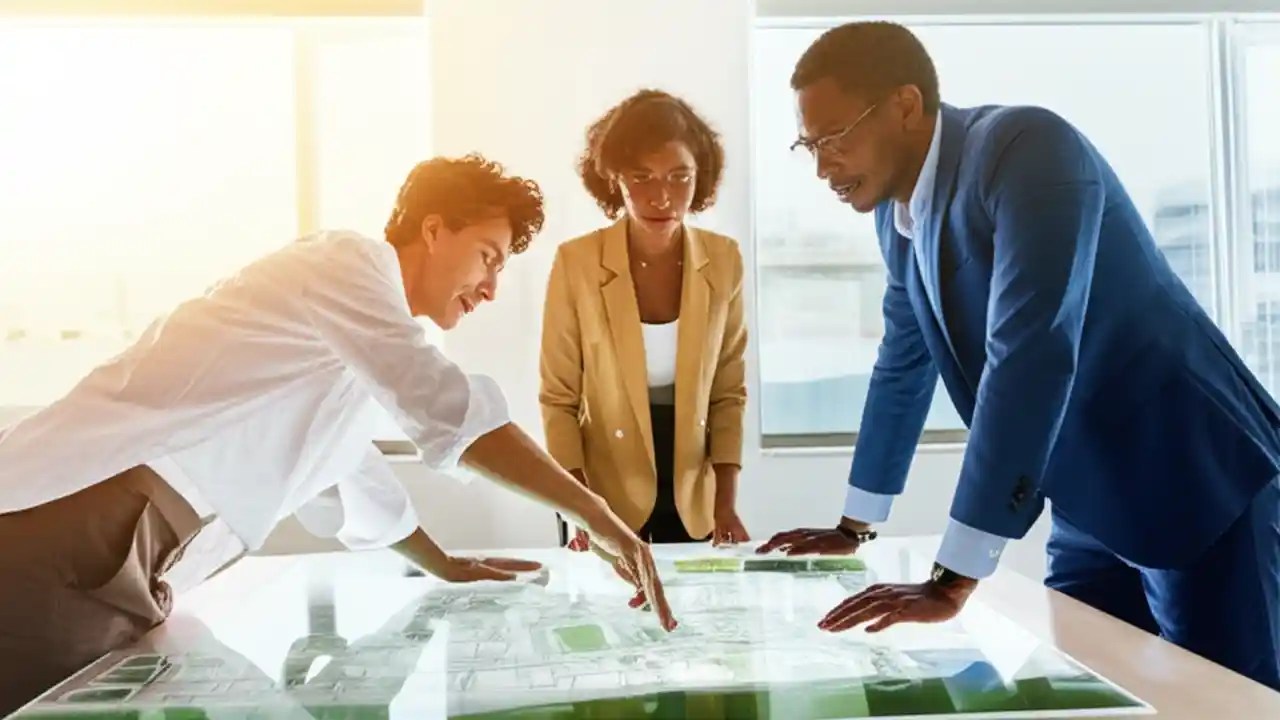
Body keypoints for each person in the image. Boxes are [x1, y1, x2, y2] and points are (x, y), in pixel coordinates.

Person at [0, 154, 675, 715]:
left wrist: (440, 560)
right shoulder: (349, 266)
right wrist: (595, 511)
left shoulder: (358, 342)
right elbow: (453, 414)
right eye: (486, 256)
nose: (490, 287)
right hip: (84, 521)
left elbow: (347, 461)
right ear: (434, 230)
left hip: (141, 549)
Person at [758, 22, 1280, 690]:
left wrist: (954, 576)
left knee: (1221, 700)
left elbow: (1030, 351)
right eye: (809, 146)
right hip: (1088, 498)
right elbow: (902, 363)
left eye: (834, 139)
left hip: (1188, 474)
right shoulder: (898, 218)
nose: (823, 166)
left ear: (905, 105)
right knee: (1084, 687)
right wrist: (853, 526)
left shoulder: (1026, 148)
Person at [540, 89, 750, 549]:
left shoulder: (725, 259)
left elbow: (728, 393)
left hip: (694, 488)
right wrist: (581, 509)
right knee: (606, 617)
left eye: (680, 177)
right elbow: (558, 401)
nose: (661, 196)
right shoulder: (576, 262)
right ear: (614, 178)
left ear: (701, 178)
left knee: (694, 615)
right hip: (600, 488)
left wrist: (726, 502)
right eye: (642, 177)